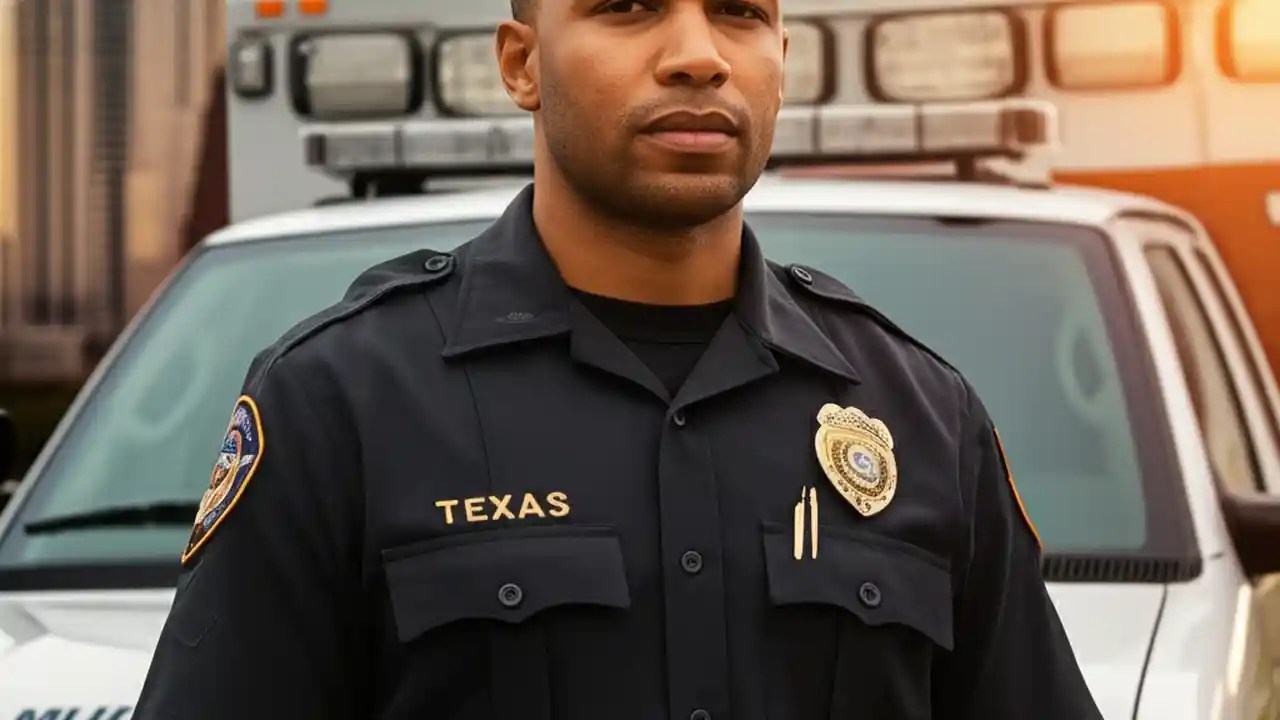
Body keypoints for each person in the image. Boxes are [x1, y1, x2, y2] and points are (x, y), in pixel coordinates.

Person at [133, 0, 1102, 717]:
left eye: (737, 15)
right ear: (521, 64)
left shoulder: (922, 420)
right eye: (628, 9)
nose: (695, 56)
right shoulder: (338, 406)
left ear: (779, 60)